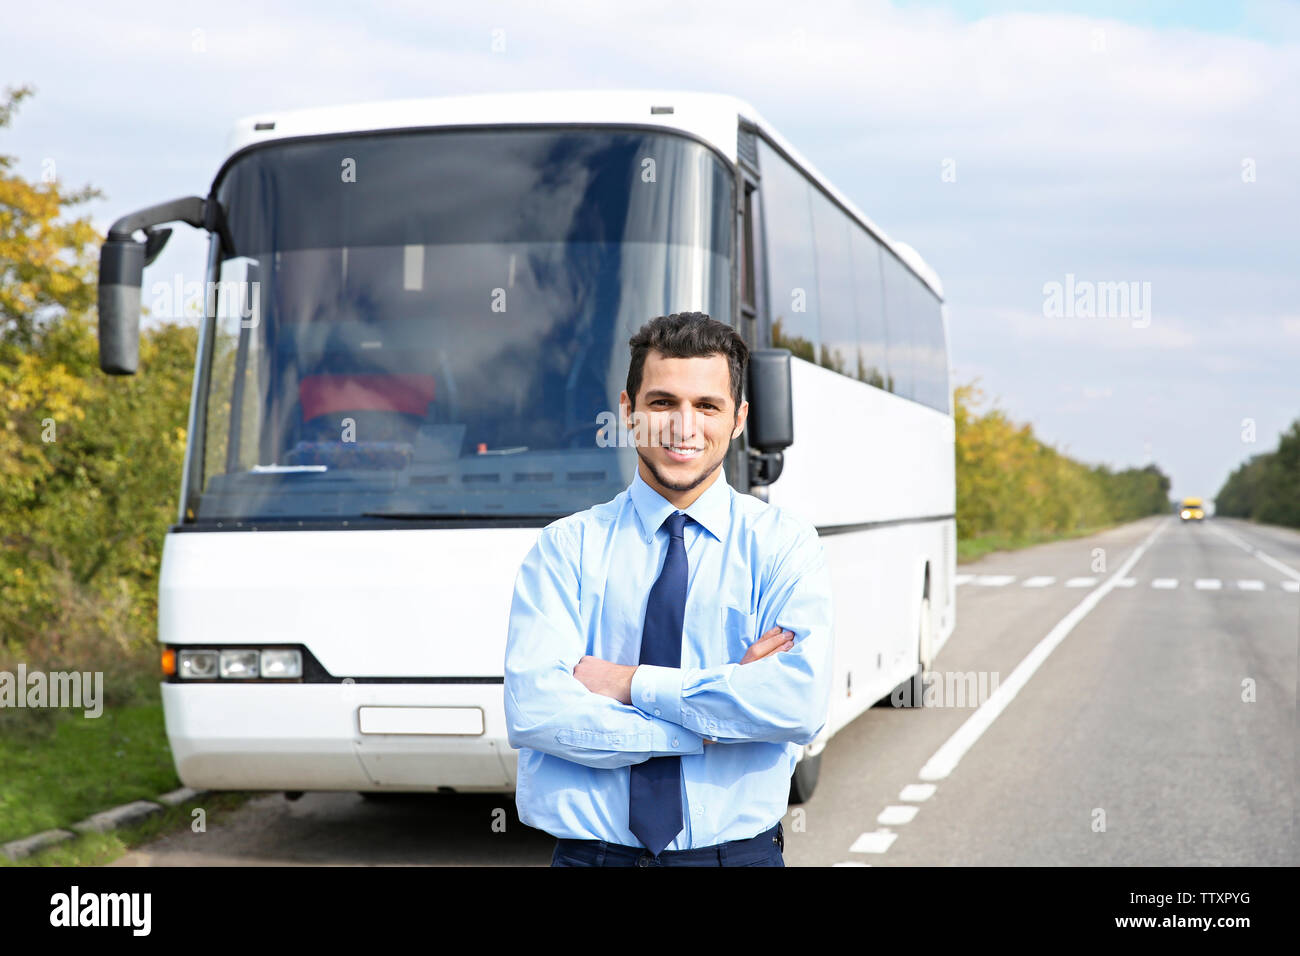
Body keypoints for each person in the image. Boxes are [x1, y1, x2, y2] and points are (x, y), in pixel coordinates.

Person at [504, 311, 834, 867]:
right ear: (628, 412)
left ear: (738, 419)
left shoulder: (785, 546)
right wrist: (712, 721)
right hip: (593, 859)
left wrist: (628, 683)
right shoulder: (565, 548)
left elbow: (796, 705)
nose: (684, 427)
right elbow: (535, 712)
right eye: (662, 403)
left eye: (707, 406)